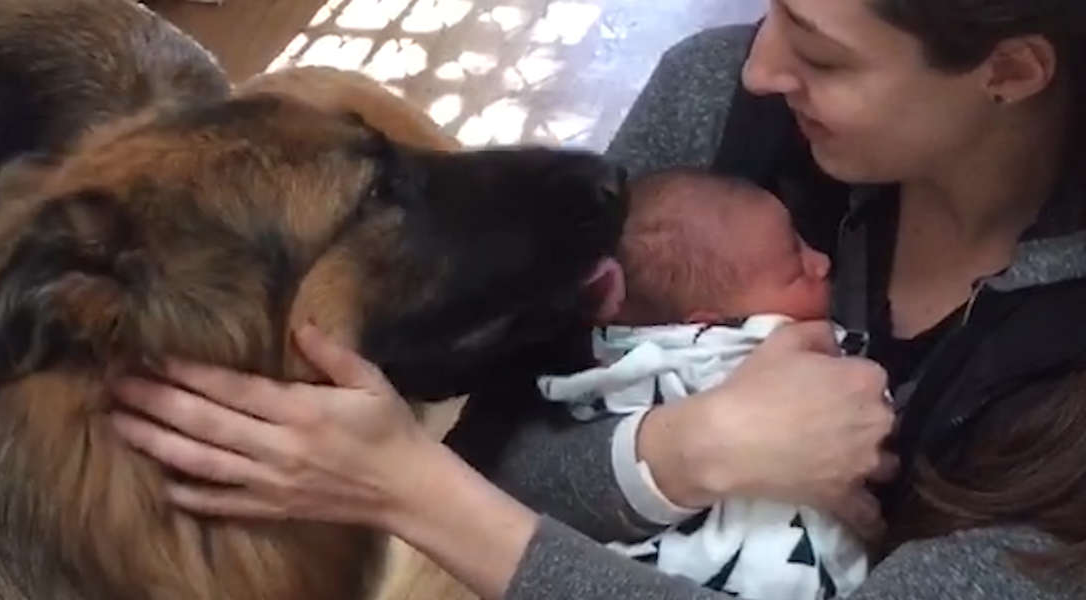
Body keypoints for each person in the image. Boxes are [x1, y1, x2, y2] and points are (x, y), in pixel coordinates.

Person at [109, 1, 1086, 598]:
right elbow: (499, 433)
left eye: (825, 55)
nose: (761, 64)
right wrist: (684, 451)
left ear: (1011, 69)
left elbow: (465, 479)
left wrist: (404, 489)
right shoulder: (719, 102)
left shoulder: (1059, 381)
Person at [537, 167, 867, 600]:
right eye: (795, 269)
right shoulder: (752, 342)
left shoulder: (613, 352)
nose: (821, 262)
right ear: (709, 322)